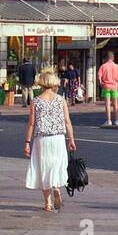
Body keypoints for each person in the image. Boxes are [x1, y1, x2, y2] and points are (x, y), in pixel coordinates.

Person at [23, 67, 76, 212]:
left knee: (43, 168)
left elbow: (31, 124)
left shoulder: (36, 101)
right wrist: (71, 139)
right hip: (58, 138)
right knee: (57, 165)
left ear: (40, 83)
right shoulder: (60, 100)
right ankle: (57, 189)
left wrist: (27, 143)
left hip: (42, 139)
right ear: (53, 83)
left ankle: (47, 203)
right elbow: (67, 121)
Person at [98, 51, 118, 127]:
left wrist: (101, 83)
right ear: (113, 58)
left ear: (106, 58)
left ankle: (109, 120)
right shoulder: (117, 66)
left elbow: (99, 77)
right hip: (114, 86)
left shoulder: (103, 66)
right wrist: (117, 83)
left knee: (107, 104)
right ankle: (117, 120)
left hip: (106, 87)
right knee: (115, 104)